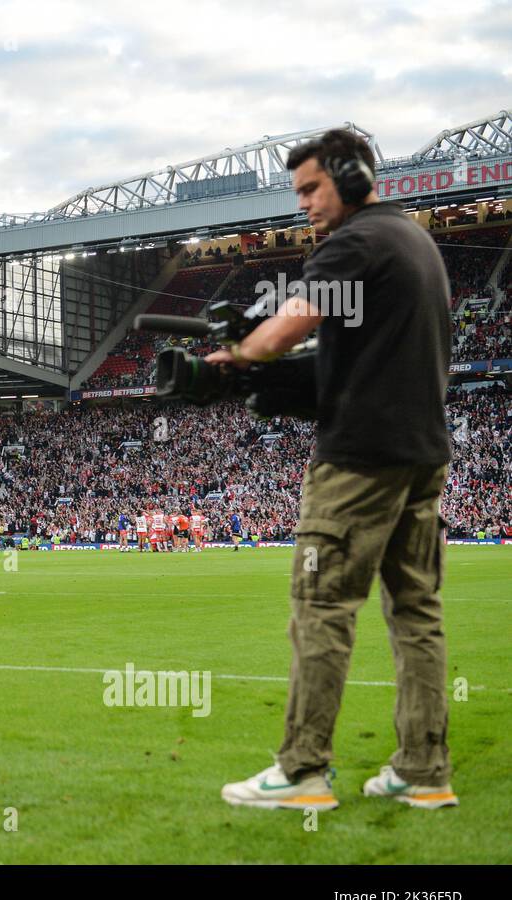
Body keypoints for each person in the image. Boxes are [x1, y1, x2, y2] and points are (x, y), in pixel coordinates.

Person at [214, 128, 458, 811]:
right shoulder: (414, 240)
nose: (305, 206)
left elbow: (284, 329)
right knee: (417, 612)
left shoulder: (354, 243)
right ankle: (423, 768)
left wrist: (237, 354)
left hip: (358, 463)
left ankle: (302, 771)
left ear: (351, 176)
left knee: (321, 607)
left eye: (312, 189)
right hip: (422, 455)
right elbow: (355, 357)